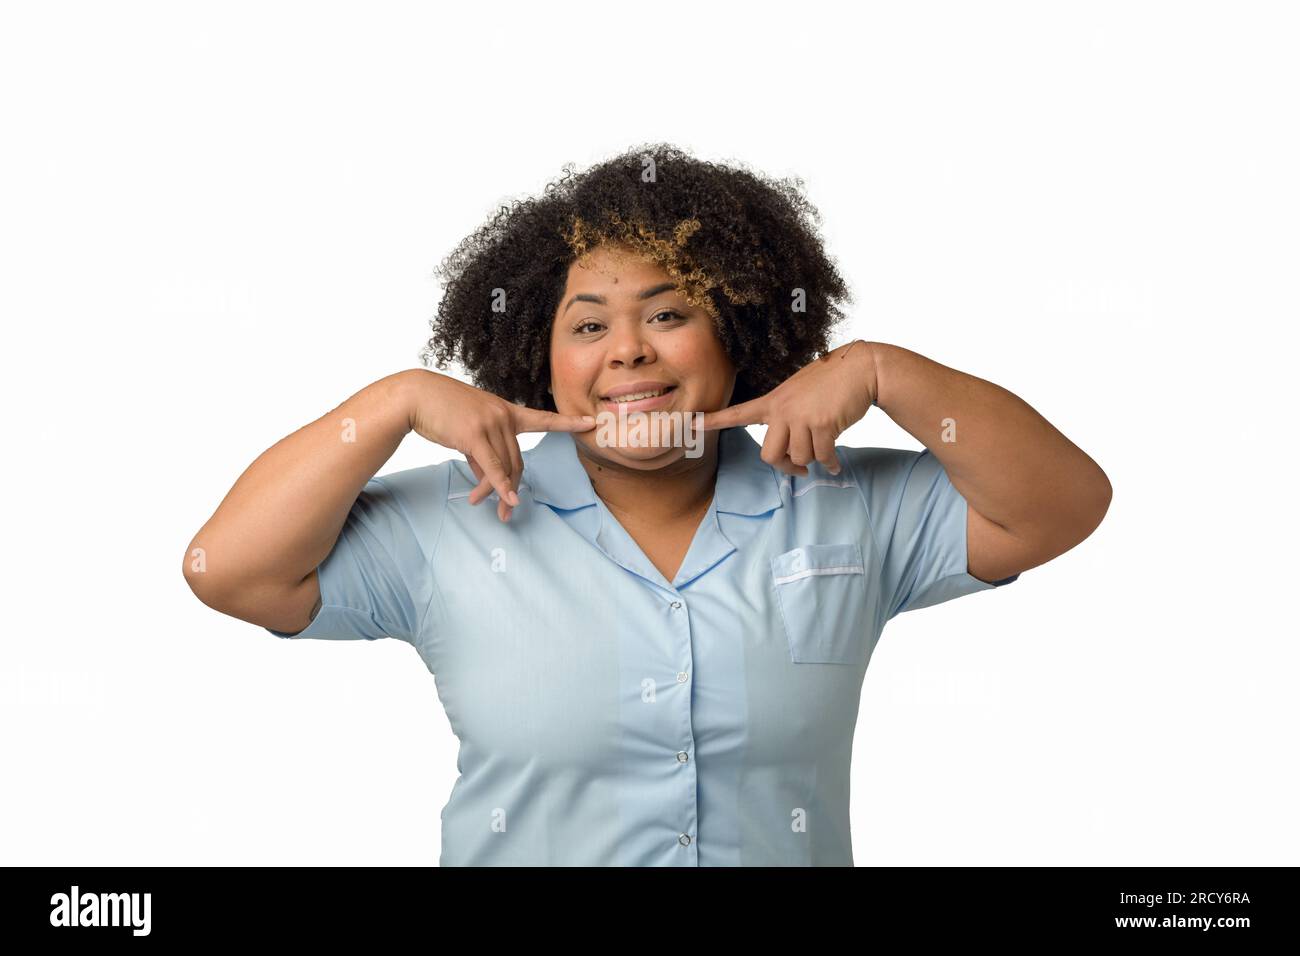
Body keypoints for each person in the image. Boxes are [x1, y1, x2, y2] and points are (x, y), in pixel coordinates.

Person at [182, 143, 1111, 866]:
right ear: (537, 361)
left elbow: (1063, 505)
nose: (626, 351)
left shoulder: (847, 504)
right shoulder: (452, 520)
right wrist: (389, 403)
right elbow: (225, 572)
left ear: (740, 334)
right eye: (588, 326)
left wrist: (881, 372)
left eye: (669, 314)